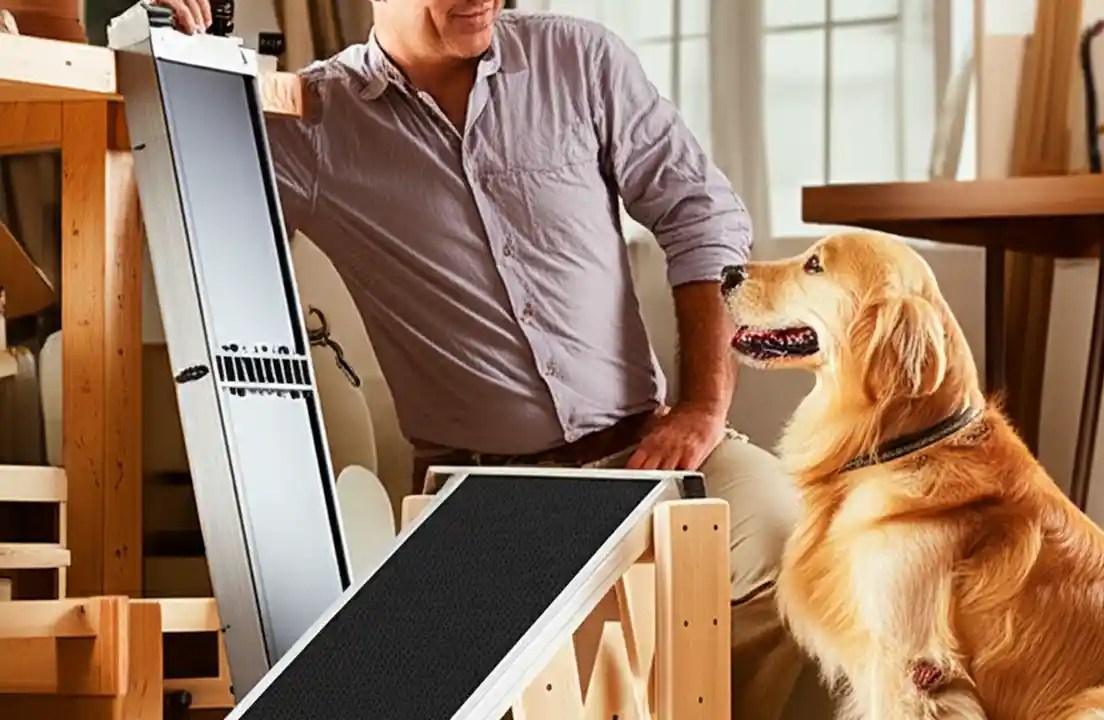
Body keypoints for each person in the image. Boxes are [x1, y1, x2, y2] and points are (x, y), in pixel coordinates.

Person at [144, 0, 838, 717]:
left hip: (646, 451)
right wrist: (182, 54)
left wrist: (702, 407)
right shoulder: (313, 122)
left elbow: (701, 214)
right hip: (485, 495)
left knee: (807, 559)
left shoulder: (579, 60)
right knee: (524, 683)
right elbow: (198, 229)